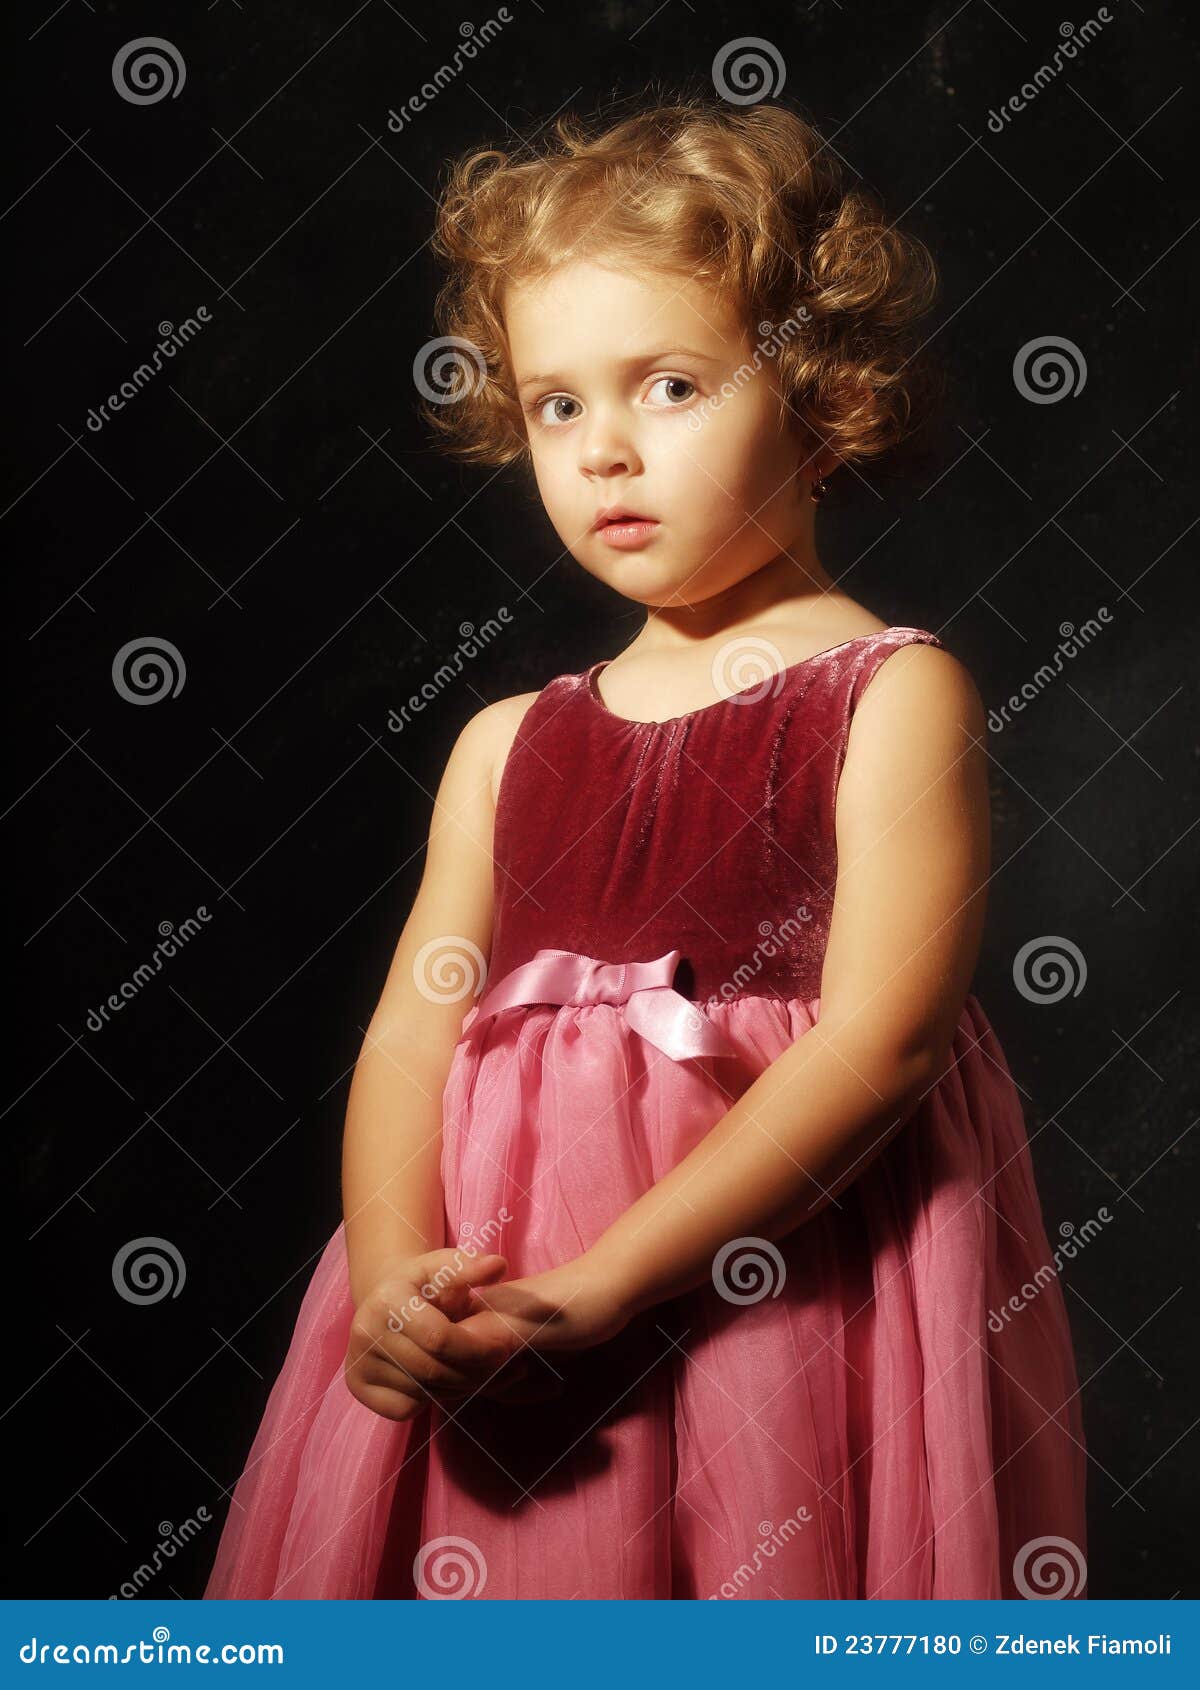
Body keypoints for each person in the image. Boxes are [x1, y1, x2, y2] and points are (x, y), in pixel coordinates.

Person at [204, 96, 1087, 1601]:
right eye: (557, 405)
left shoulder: (890, 695)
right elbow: (416, 1026)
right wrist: (397, 1261)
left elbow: (884, 1042)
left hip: (778, 1297)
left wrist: (610, 1279)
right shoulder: (505, 743)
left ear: (818, 390)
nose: (603, 450)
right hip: (501, 1289)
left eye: (668, 386)